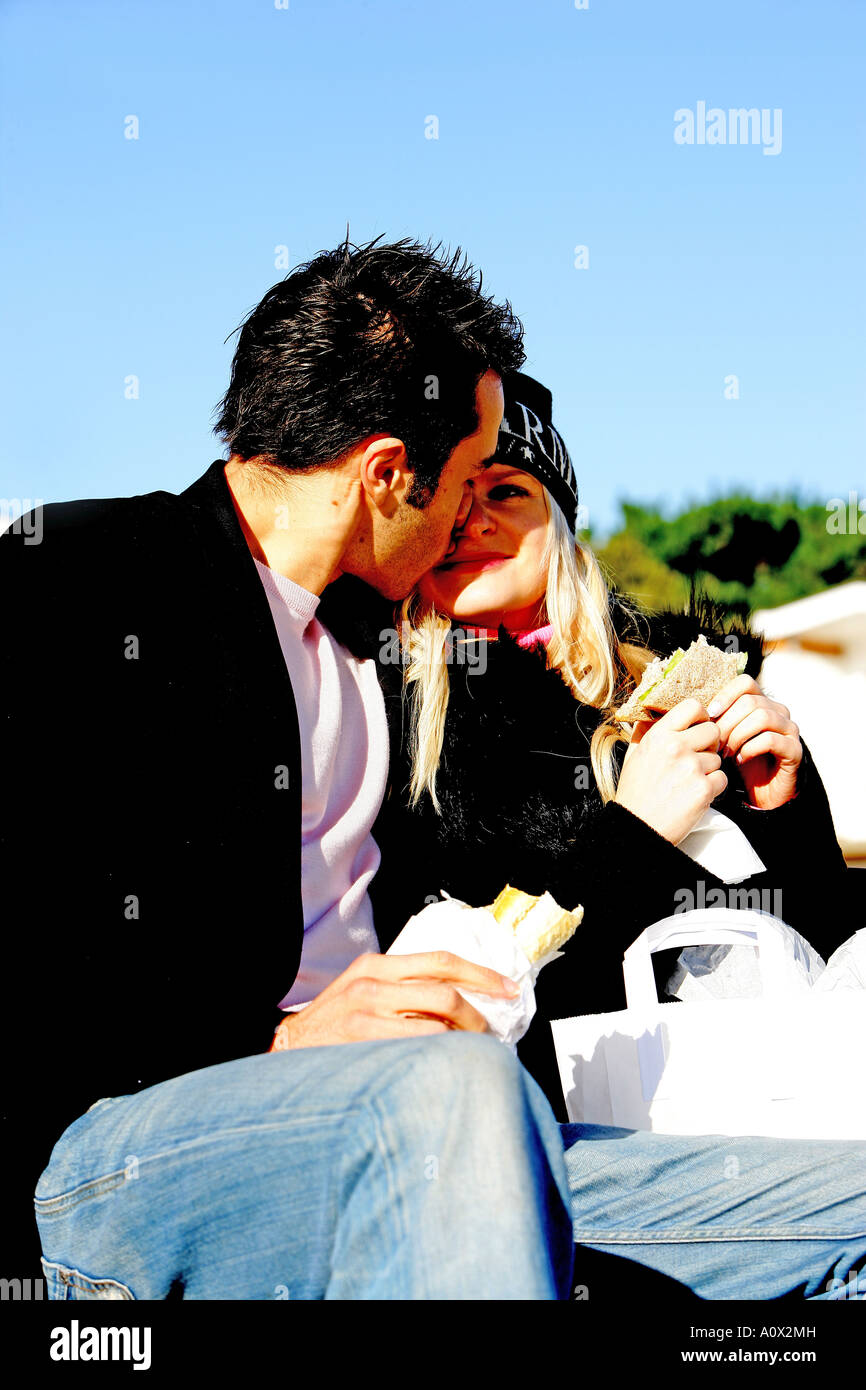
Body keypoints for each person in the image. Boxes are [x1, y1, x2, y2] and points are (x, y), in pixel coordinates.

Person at [3, 256, 864, 1301]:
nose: (468, 524)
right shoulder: (84, 577)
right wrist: (277, 1039)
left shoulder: (363, 657)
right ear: (384, 475)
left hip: (462, 1127)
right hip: (146, 1151)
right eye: (465, 482)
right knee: (448, 1095)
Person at [363, 371, 856, 1112]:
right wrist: (634, 837)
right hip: (574, 1139)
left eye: (506, 492)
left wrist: (788, 807)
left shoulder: (681, 685)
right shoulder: (389, 728)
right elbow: (487, 1014)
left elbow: (819, 954)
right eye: (454, 499)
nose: (474, 522)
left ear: (560, 519)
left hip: (769, 1106)